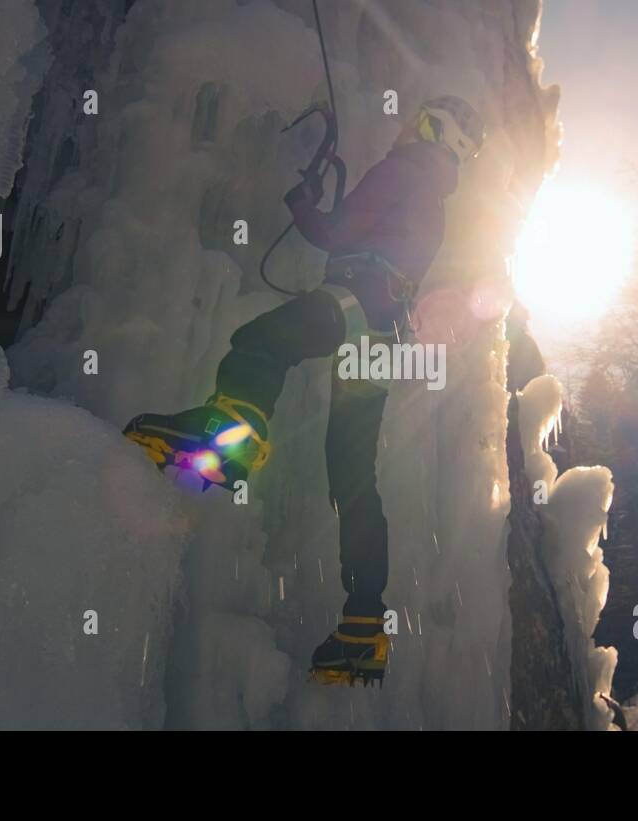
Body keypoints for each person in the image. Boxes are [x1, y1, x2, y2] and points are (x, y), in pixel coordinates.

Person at [124, 95, 485, 687]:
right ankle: (364, 625)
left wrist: (302, 200)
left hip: (355, 301)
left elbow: (338, 231)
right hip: (383, 336)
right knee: (352, 478)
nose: (402, 128)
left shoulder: (405, 169)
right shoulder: (436, 196)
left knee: (259, 342)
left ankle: (229, 440)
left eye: (415, 121)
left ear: (430, 130)